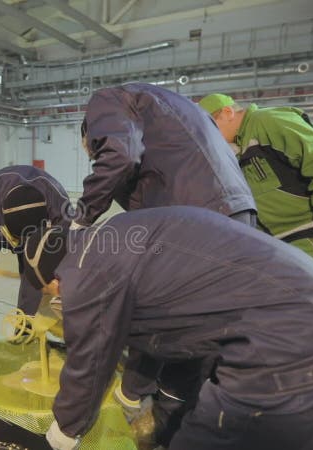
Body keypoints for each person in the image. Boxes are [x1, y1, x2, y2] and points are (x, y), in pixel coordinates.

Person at [22, 207, 313, 450]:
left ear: (56, 274)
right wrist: (131, 394)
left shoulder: (86, 267)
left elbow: (90, 361)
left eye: (55, 293)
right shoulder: (126, 236)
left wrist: (60, 436)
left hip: (295, 355)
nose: (62, 302)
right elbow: (167, 336)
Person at [76, 82, 257, 435]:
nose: (96, 157)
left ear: (90, 129)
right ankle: (168, 425)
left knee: (152, 305)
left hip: (196, 220)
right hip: (238, 216)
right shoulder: (171, 114)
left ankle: (131, 400)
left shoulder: (106, 101)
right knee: (198, 329)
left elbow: (120, 157)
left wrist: (80, 217)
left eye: (93, 151)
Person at [198, 93, 313, 281]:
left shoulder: (268, 121)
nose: (210, 139)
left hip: (312, 239)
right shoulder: (237, 149)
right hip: (284, 245)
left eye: (210, 129)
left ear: (227, 112)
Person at [0, 165, 72, 364]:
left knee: (36, 275)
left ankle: (26, 341)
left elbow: (67, 263)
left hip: (41, 235)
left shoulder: (59, 210)